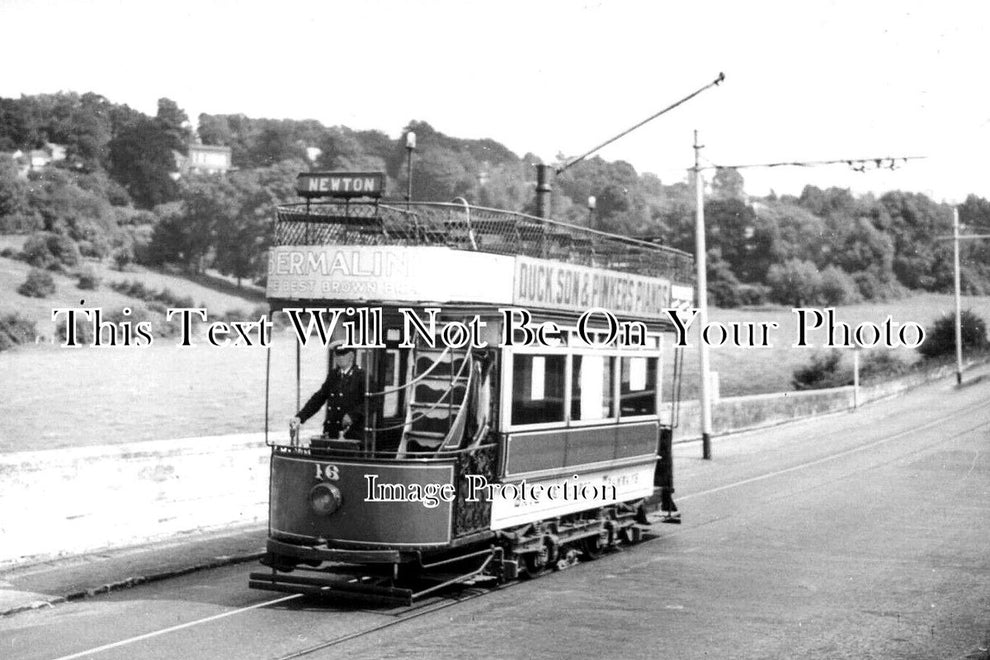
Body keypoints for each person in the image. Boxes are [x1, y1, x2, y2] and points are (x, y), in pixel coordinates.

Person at [290, 343, 365, 440]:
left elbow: (373, 402)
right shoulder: (333, 375)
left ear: (351, 356)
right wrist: (300, 417)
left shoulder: (361, 376)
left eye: (343, 355)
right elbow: (319, 398)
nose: (340, 358)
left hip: (352, 434)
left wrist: (352, 415)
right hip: (331, 432)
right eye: (338, 355)